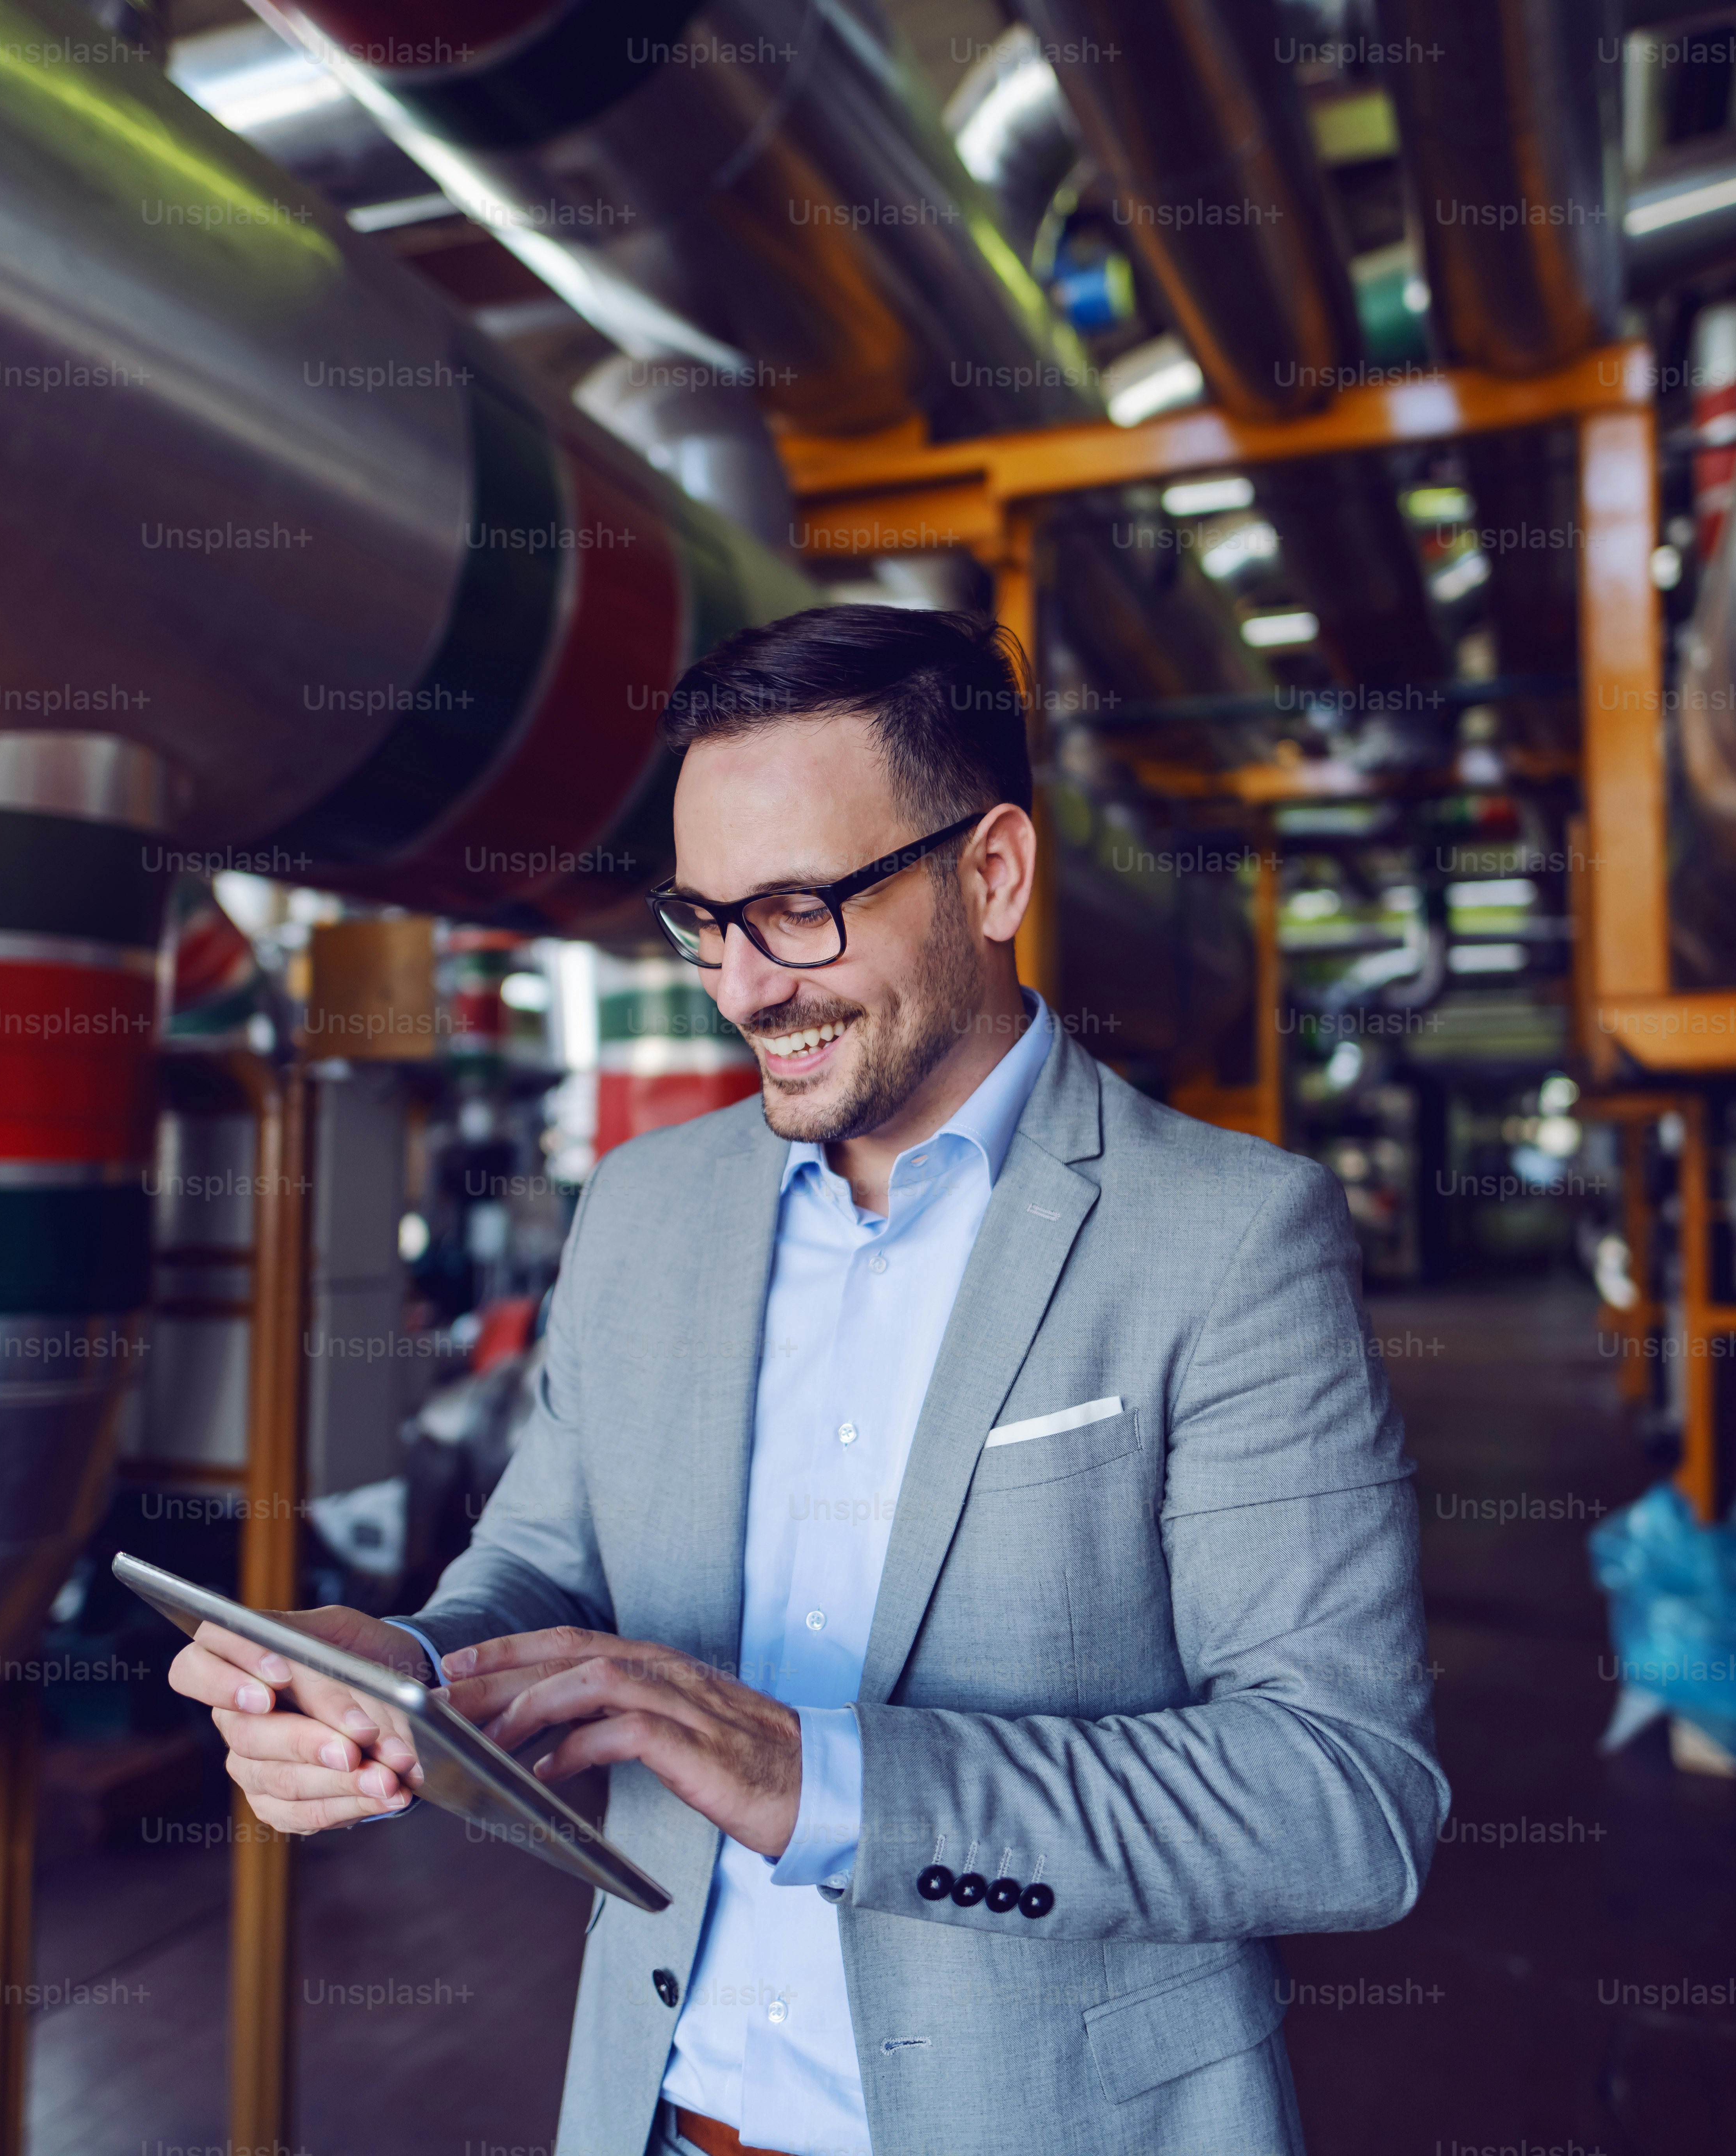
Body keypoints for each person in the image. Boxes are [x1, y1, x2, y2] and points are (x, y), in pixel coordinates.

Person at [169, 604, 1445, 2156]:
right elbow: (541, 1571)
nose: (743, 988)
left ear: (993, 874)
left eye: (795, 908)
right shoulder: (645, 1211)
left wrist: (819, 1774)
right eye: (704, 918)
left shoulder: (1228, 1238)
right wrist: (396, 1672)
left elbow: (1344, 1798)